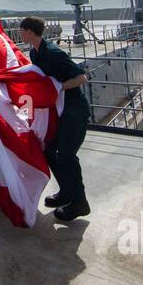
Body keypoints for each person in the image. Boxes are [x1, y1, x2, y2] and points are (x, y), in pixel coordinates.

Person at [18, 16, 91, 221]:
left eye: (21, 30)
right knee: (50, 150)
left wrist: (58, 87)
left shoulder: (53, 53)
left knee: (67, 154)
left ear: (30, 31)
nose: (20, 33)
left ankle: (80, 202)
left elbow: (81, 78)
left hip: (74, 111)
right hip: (59, 111)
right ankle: (66, 192)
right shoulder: (35, 53)